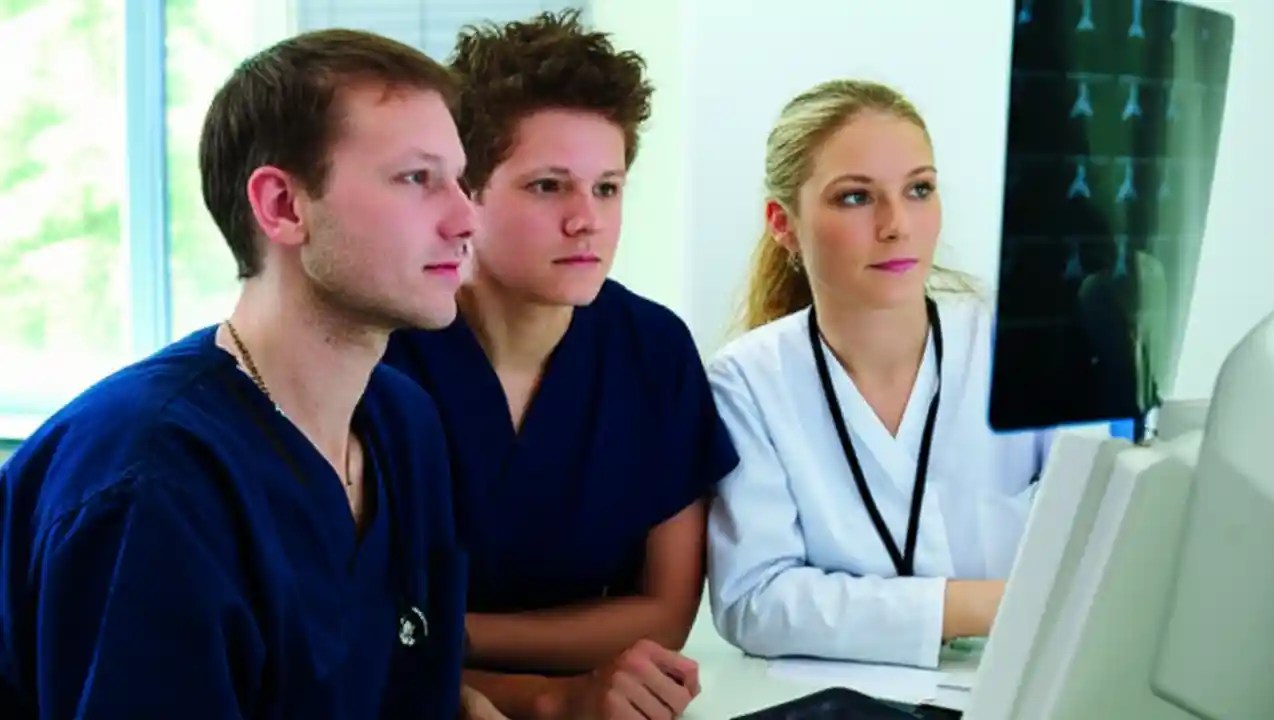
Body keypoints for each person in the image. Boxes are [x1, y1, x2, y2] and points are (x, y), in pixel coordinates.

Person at [0, 29, 503, 719]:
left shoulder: (403, 424)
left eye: (461, 181)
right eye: (417, 179)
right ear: (283, 207)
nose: (467, 218)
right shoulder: (154, 481)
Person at [381, 10, 739, 719]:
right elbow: (341, 627)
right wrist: (550, 696)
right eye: (548, 186)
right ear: (466, 190)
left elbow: (664, 615)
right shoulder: (383, 356)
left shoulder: (653, 352)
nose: (587, 220)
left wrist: (448, 636)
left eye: (607, 187)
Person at [704, 79, 1055, 670]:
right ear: (783, 223)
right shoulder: (747, 382)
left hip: (1031, 684)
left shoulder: (1026, 344)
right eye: (855, 197)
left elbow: (1106, 542)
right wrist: (986, 606)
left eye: (919, 189)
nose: (897, 225)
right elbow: (754, 601)